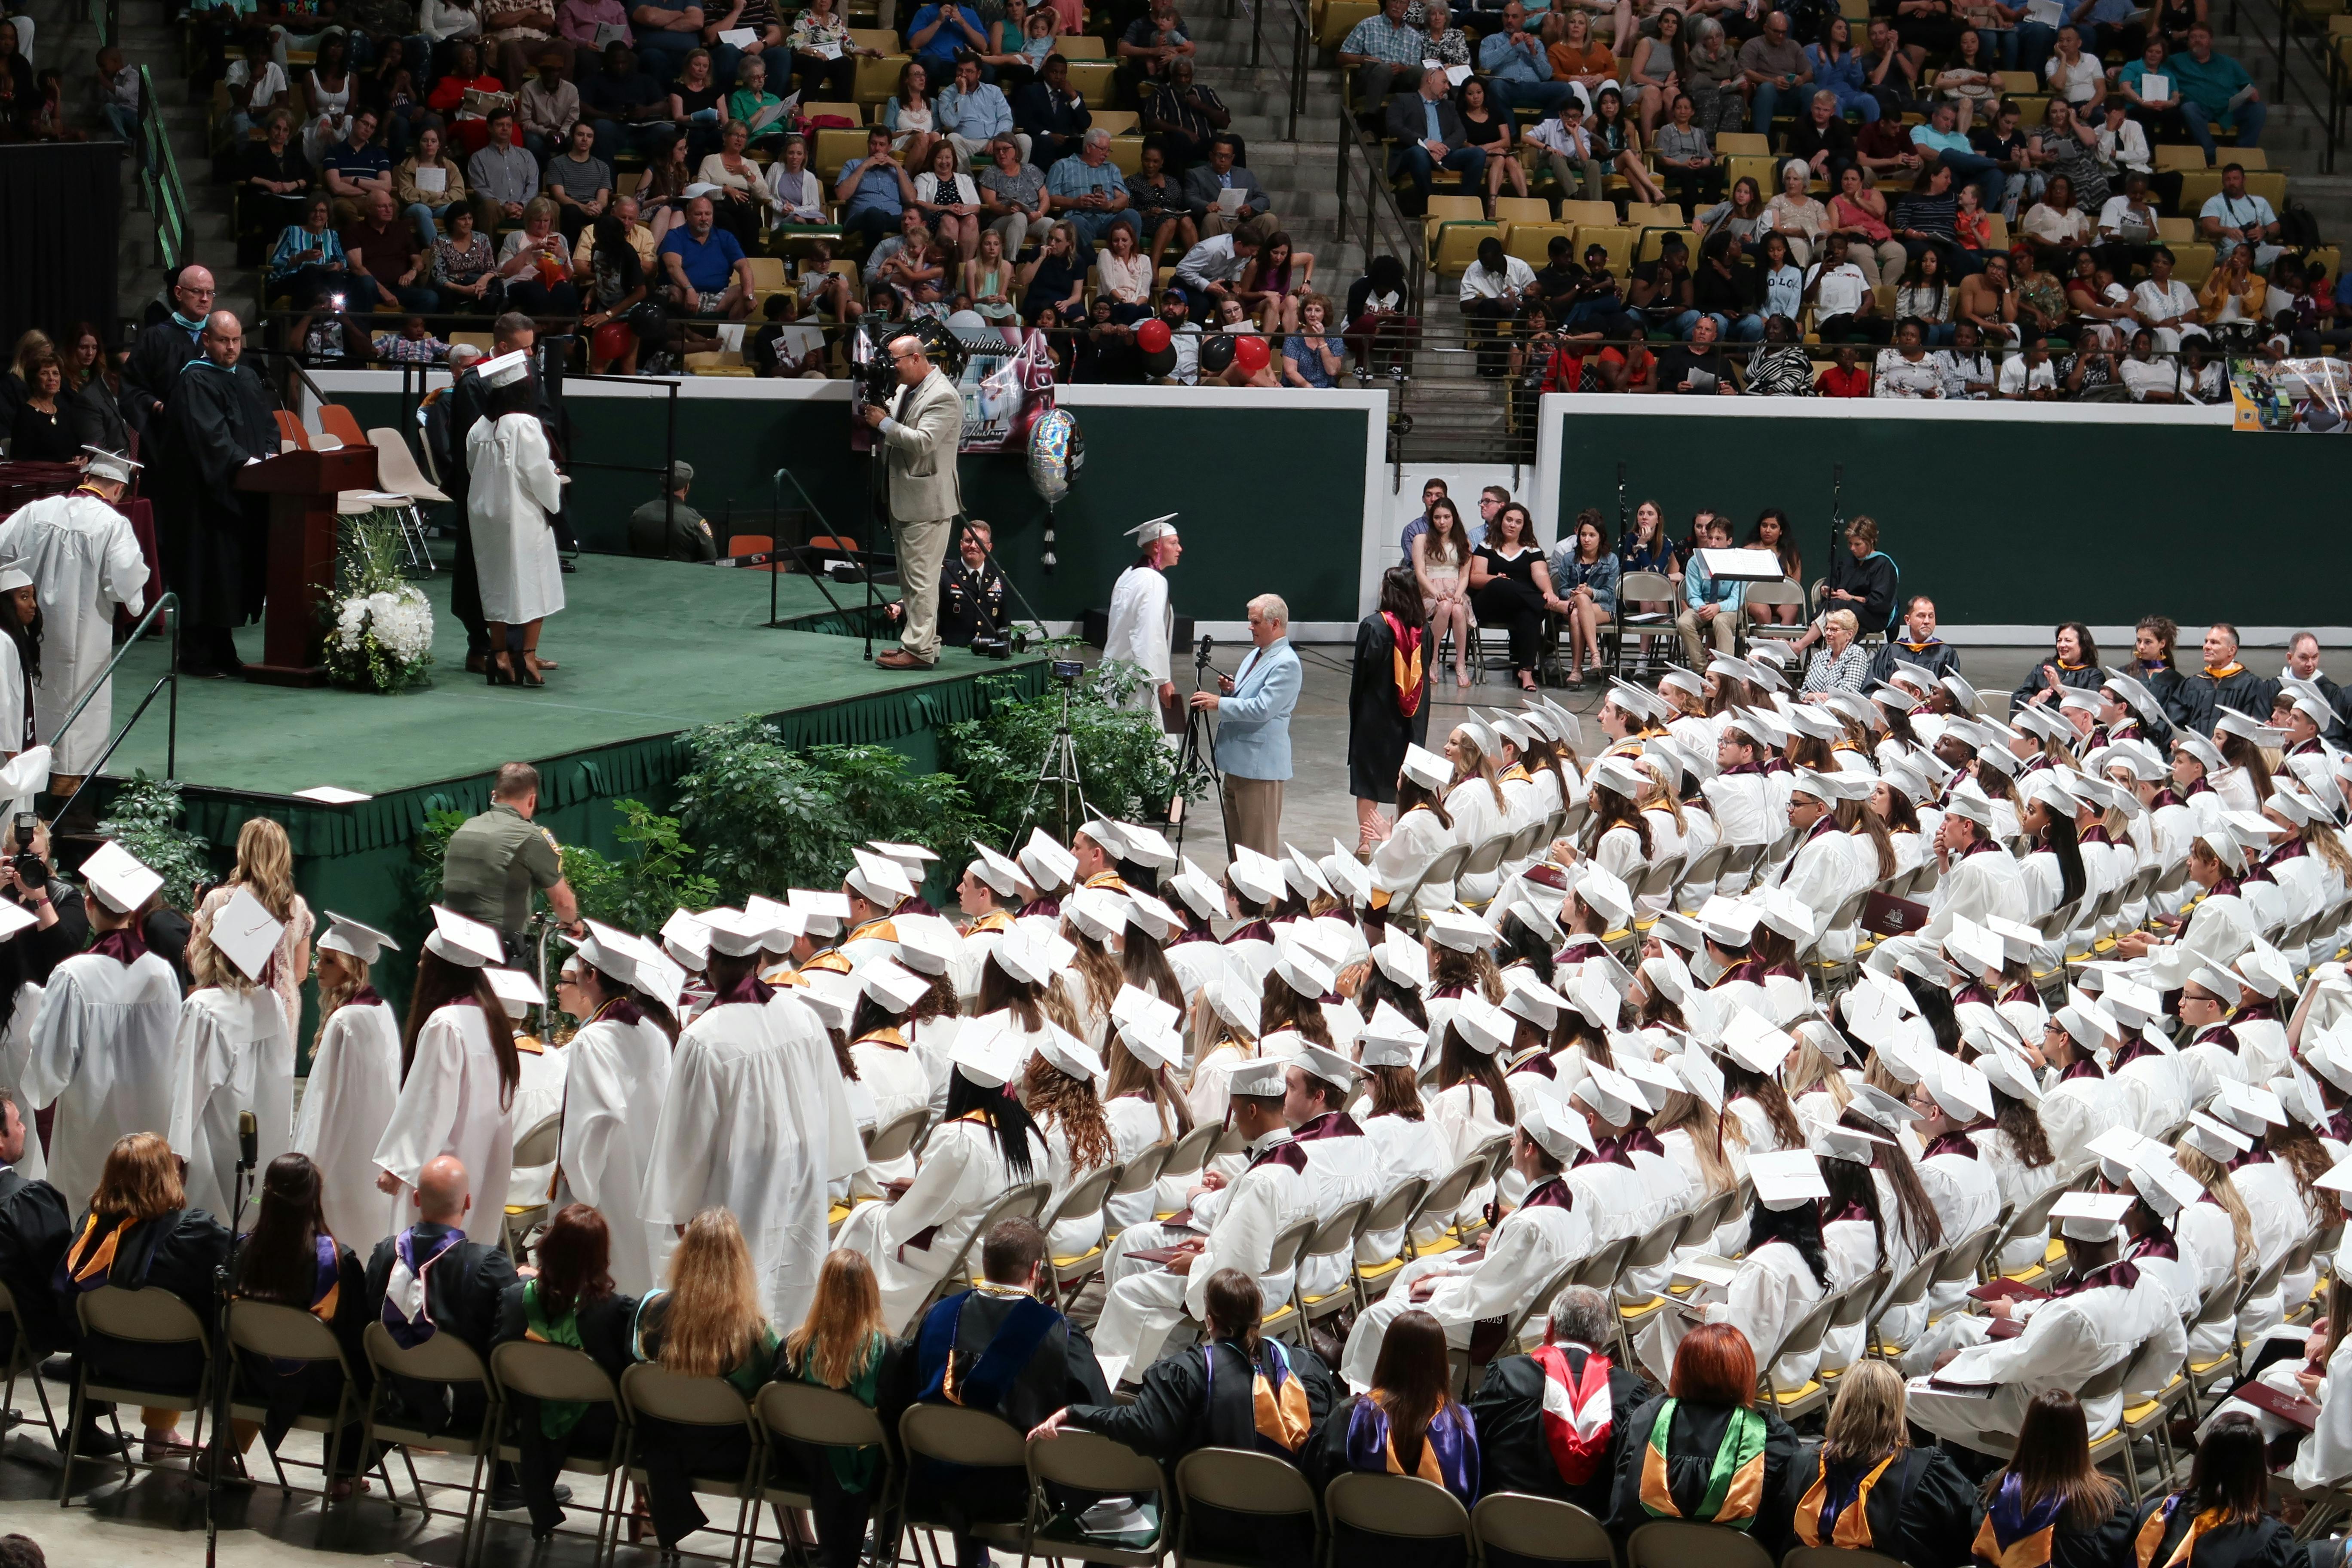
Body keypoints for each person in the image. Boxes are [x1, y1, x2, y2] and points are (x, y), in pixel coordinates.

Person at [643, 907, 858, 1325]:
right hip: (799, 1175)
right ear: (758, 962)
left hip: (742, 1181)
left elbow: (688, 1136)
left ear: (709, 964)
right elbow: (829, 1104)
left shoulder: (704, 1037)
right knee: (792, 1283)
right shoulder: (802, 1017)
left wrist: (681, 1206)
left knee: (742, 1286)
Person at [903, 1218, 1111, 1562]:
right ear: (1036, 1269)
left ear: (984, 1264)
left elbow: (913, 1393)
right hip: (1018, 1495)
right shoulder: (1057, 1332)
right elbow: (1099, 1409)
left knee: (960, 1429)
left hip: (933, 1482)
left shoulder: (938, 1315)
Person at [53, 1132, 233, 1463]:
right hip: (180, 1371)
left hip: (103, 1365)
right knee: (223, 1318)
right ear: (167, 1175)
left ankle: (151, 1432)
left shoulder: (89, 1230)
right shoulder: (194, 1233)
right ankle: (222, 1456)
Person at [23, 845, 181, 1210]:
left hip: (90, 1121)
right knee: (143, 1210)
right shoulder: (161, 972)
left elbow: (52, 1061)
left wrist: (38, 1088)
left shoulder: (74, 975)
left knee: (90, 1212)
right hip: (150, 1118)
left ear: (90, 903)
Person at [626, 1207, 778, 1552]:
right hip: (729, 1459)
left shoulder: (649, 1311)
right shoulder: (753, 1332)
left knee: (646, 1409)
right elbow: (767, 1395)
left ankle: (645, 1507)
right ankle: (801, 1539)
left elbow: (638, 1377)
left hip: (657, 1453)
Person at [224, 1153, 374, 1491]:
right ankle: (341, 1472)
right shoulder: (339, 1261)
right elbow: (354, 1343)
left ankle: (221, 1451)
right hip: (319, 1392)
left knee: (240, 1353)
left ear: (267, 1194)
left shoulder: (241, 1253)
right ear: (314, 1198)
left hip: (252, 1382)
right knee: (362, 1367)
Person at [491, 1203, 637, 1540]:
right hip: (597, 1437)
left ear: (548, 1245)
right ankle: (645, 1513)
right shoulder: (616, 1312)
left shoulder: (514, 1300)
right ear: (601, 1256)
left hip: (524, 1430)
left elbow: (496, 1361)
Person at [0, 449, 142, 792]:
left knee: (32, 700)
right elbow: (126, 587)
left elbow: (3, 550)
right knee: (77, 712)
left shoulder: (37, 510)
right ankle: (67, 802)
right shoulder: (112, 524)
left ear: (87, 477)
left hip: (31, 630)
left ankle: (26, 786)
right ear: (119, 490)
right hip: (82, 634)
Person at [149, 311, 275, 680]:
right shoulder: (195, 380)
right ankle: (194, 656)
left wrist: (268, 458)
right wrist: (246, 463)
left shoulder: (248, 377)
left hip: (242, 491)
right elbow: (212, 438)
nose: (231, 347)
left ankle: (223, 650)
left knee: (229, 576)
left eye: (236, 340)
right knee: (205, 574)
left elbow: (268, 426)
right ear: (206, 341)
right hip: (205, 498)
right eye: (223, 340)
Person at [549, 925, 672, 1295]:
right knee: (642, 1256)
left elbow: (595, 1120)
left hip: (611, 1174)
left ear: (590, 977)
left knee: (612, 1260)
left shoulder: (592, 1040)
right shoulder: (652, 1032)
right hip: (648, 1164)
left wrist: (579, 1184)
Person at [1613, 1320, 1804, 1543]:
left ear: (1680, 1370)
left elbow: (1619, 1511)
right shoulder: (1772, 1439)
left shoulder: (1645, 1421)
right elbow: (1788, 1528)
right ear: (1744, 1374)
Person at [165, 906, 294, 1228]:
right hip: (259, 1135)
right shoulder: (271, 1002)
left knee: (208, 1225)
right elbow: (280, 1076)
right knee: (250, 1214)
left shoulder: (203, 1008)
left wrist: (175, 1154)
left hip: (215, 1136)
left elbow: (189, 1088)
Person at [1467, 1284, 1643, 1519]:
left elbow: (1476, 1444)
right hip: (1591, 1543)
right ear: (1603, 1336)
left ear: (1549, 1326)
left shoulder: (1506, 1376)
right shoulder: (1629, 1393)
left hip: (1504, 1532)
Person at [1779, 1360, 1976, 1559]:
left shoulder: (1802, 1463)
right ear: (1897, 1409)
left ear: (1842, 1403)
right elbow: (1969, 1532)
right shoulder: (1926, 1473)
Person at [290, 912, 402, 1250]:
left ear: (349, 967)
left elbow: (324, 1100)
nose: (316, 968)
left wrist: (309, 1162)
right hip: (375, 1141)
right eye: (318, 959)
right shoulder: (381, 1010)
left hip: (341, 1149)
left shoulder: (345, 1020)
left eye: (327, 961)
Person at [858, 329, 964, 673]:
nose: (892, 367)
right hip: (904, 499)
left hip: (926, 503)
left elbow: (923, 442)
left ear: (917, 358)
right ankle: (924, 644)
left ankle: (917, 650)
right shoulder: (907, 388)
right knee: (911, 579)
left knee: (921, 580)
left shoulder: (943, 396)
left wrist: (884, 422)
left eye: (896, 361)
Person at [1310, 1309, 1479, 1519]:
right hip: (1435, 1543)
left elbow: (1318, 1477)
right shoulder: (1460, 1423)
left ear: (1386, 1355)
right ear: (1440, 1360)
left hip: (1360, 1537)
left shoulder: (1351, 1415)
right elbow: (1472, 1496)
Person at [465, 354, 566, 686]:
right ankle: (528, 657)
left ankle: (500, 656)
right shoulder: (524, 424)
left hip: (484, 513)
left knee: (495, 581)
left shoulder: (479, 426)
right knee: (532, 581)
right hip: (520, 513)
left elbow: (471, 469)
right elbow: (537, 473)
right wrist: (554, 484)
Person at [1194, 594, 1302, 858]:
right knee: (1237, 847)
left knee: (1258, 851)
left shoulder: (1286, 663)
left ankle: (1264, 902)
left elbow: (1262, 709)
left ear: (1275, 624)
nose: (1250, 627)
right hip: (1237, 764)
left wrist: (1220, 703)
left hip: (1259, 769)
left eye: (1255, 622)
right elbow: (1250, 698)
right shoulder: (1256, 654)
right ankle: (1239, 899)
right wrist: (1232, 691)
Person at [1349, 566, 1432, 855]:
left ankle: (1365, 841)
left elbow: (1362, 672)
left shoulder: (1374, 626)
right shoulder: (1424, 629)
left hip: (1376, 713)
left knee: (1368, 780)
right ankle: (1401, 839)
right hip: (1413, 719)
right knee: (1406, 778)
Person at [1467, 502, 1568, 693]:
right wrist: (1495, 579)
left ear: (1524, 526)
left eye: (1518, 522)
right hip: (1490, 605)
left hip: (1520, 606)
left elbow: (1541, 574)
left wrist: (1549, 592)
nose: (1512, 525)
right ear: (1501, 521)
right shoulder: (1486, 546)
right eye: (1509, 520)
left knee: (1530, 613)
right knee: (1499, 583)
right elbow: (1475, 578)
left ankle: (1526, 671)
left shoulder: (1531, 549)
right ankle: (1550, 606)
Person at [1101, 514, 1180, 716]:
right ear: (1157, 547)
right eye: (1174, 543)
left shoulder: (1129, 575)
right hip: (1138, 676)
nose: (1180, 549)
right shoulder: (1153, 581)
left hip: (1117, 668)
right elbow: (1149, 630)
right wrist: (1162, 679)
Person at [1386, 65, 1483, 211]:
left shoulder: (1449, 106)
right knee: (1419, 153)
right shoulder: (1403, 100)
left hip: (1443, 155)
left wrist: (1443, 148)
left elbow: (1460, 132)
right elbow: (1394, 126)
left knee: (1478, 153)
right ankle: (1430, 203)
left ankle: (1465, 204)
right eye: (1444, 82)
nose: (1448, 88)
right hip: (1413, 154)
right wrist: (1426, 143)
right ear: (1430, 80)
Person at [1181, 135, 1270, 236]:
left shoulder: (1246, 174)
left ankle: (1267, 252)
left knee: (1270, 219)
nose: (1223, 160)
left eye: (1228, 157)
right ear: (1211, 155)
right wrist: (1206, 205)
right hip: (1218, 221)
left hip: (1244, 222)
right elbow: (1190, 198)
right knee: (1212, 218)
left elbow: (1264, 198)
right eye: (1220, 156)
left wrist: (1251, 208)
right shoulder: (1196, 174)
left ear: (1233, 158)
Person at [626, 460, 715, 560]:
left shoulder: (639, 514)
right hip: (681, 575)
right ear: (687, 487)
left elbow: (631, 549)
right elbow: (710, 559)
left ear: (662, 483)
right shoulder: (693, 521)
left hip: (643, 574)